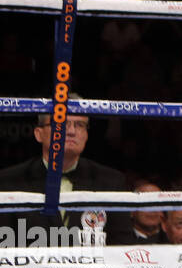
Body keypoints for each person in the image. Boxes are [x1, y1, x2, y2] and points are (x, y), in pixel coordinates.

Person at [0, 100, 126, 244]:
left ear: (86, 134)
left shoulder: (111, 181)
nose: (71, 131)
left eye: (80, 125)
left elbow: (122, 246)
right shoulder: (9, 181)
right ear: (38, 134)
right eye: (61, 123)